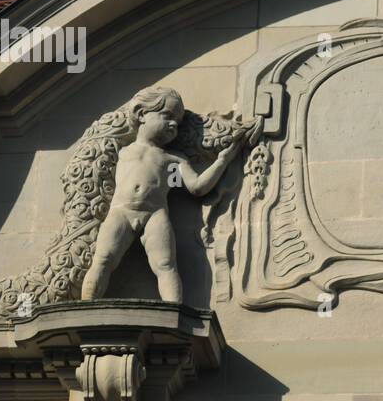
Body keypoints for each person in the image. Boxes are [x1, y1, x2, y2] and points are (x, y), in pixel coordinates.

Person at [80, 87, 256, 302]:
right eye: (167, 116)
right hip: (121, 213)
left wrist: (222, 161)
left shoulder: (173, 160)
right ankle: (86, 302)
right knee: (103, 258)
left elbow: (197, 187)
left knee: (165, 264)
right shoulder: (122, 151)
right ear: (142, 114)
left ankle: (173, 311)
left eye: (178, 122)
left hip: (154, 214)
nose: (174, 124)